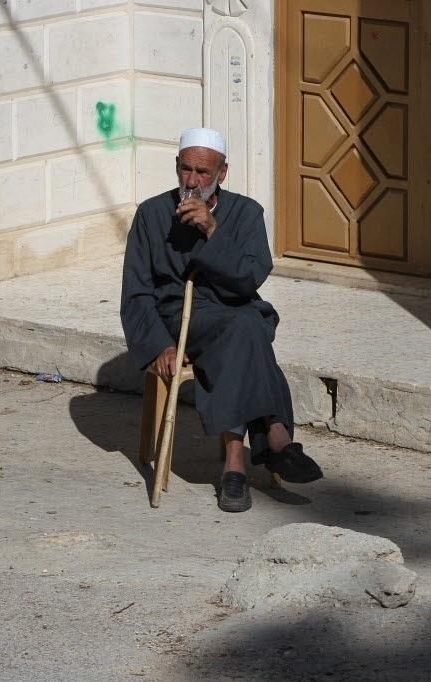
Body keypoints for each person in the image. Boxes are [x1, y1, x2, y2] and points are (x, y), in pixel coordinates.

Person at [120, 127, 323, 513]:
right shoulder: (150, 214)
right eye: (186, 170)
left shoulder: (246, 213)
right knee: (245, 329)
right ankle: (274, 434)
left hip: (235, 312)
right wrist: (159, 344)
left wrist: (214, 231)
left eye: (203, 173)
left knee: (241, 327)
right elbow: (137, 292)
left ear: (222, 174)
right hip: (182, 319)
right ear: (176, 167)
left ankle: (235, 465)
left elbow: (250, 277)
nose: (192, 181)